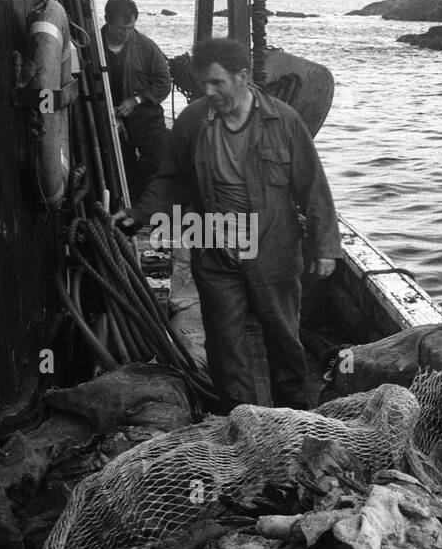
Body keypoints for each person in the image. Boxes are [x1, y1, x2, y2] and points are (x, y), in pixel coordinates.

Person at [115, 37, 341, 412]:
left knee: (283, 338)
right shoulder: (193, 120)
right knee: (224, 345)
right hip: (215, 249)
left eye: (217, 82)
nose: (208, 91)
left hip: (273, 249)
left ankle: (297, 417)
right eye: (203, 82)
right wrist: (139, 213)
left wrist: (325, 247)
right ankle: (237, 419)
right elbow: (171, 178)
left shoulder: (284, 121)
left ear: (243, 77)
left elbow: (312, 185)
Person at [101, 0, 172, 200]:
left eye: (131, 28)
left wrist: (137, 100)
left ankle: (156, 208)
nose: (127, 33)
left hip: (146, 121)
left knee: (163, 165)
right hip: (110, 122)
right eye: (122, 28)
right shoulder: (92, 46)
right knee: (121, 172)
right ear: (107, 20)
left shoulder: (147, 47)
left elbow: (163, 83)